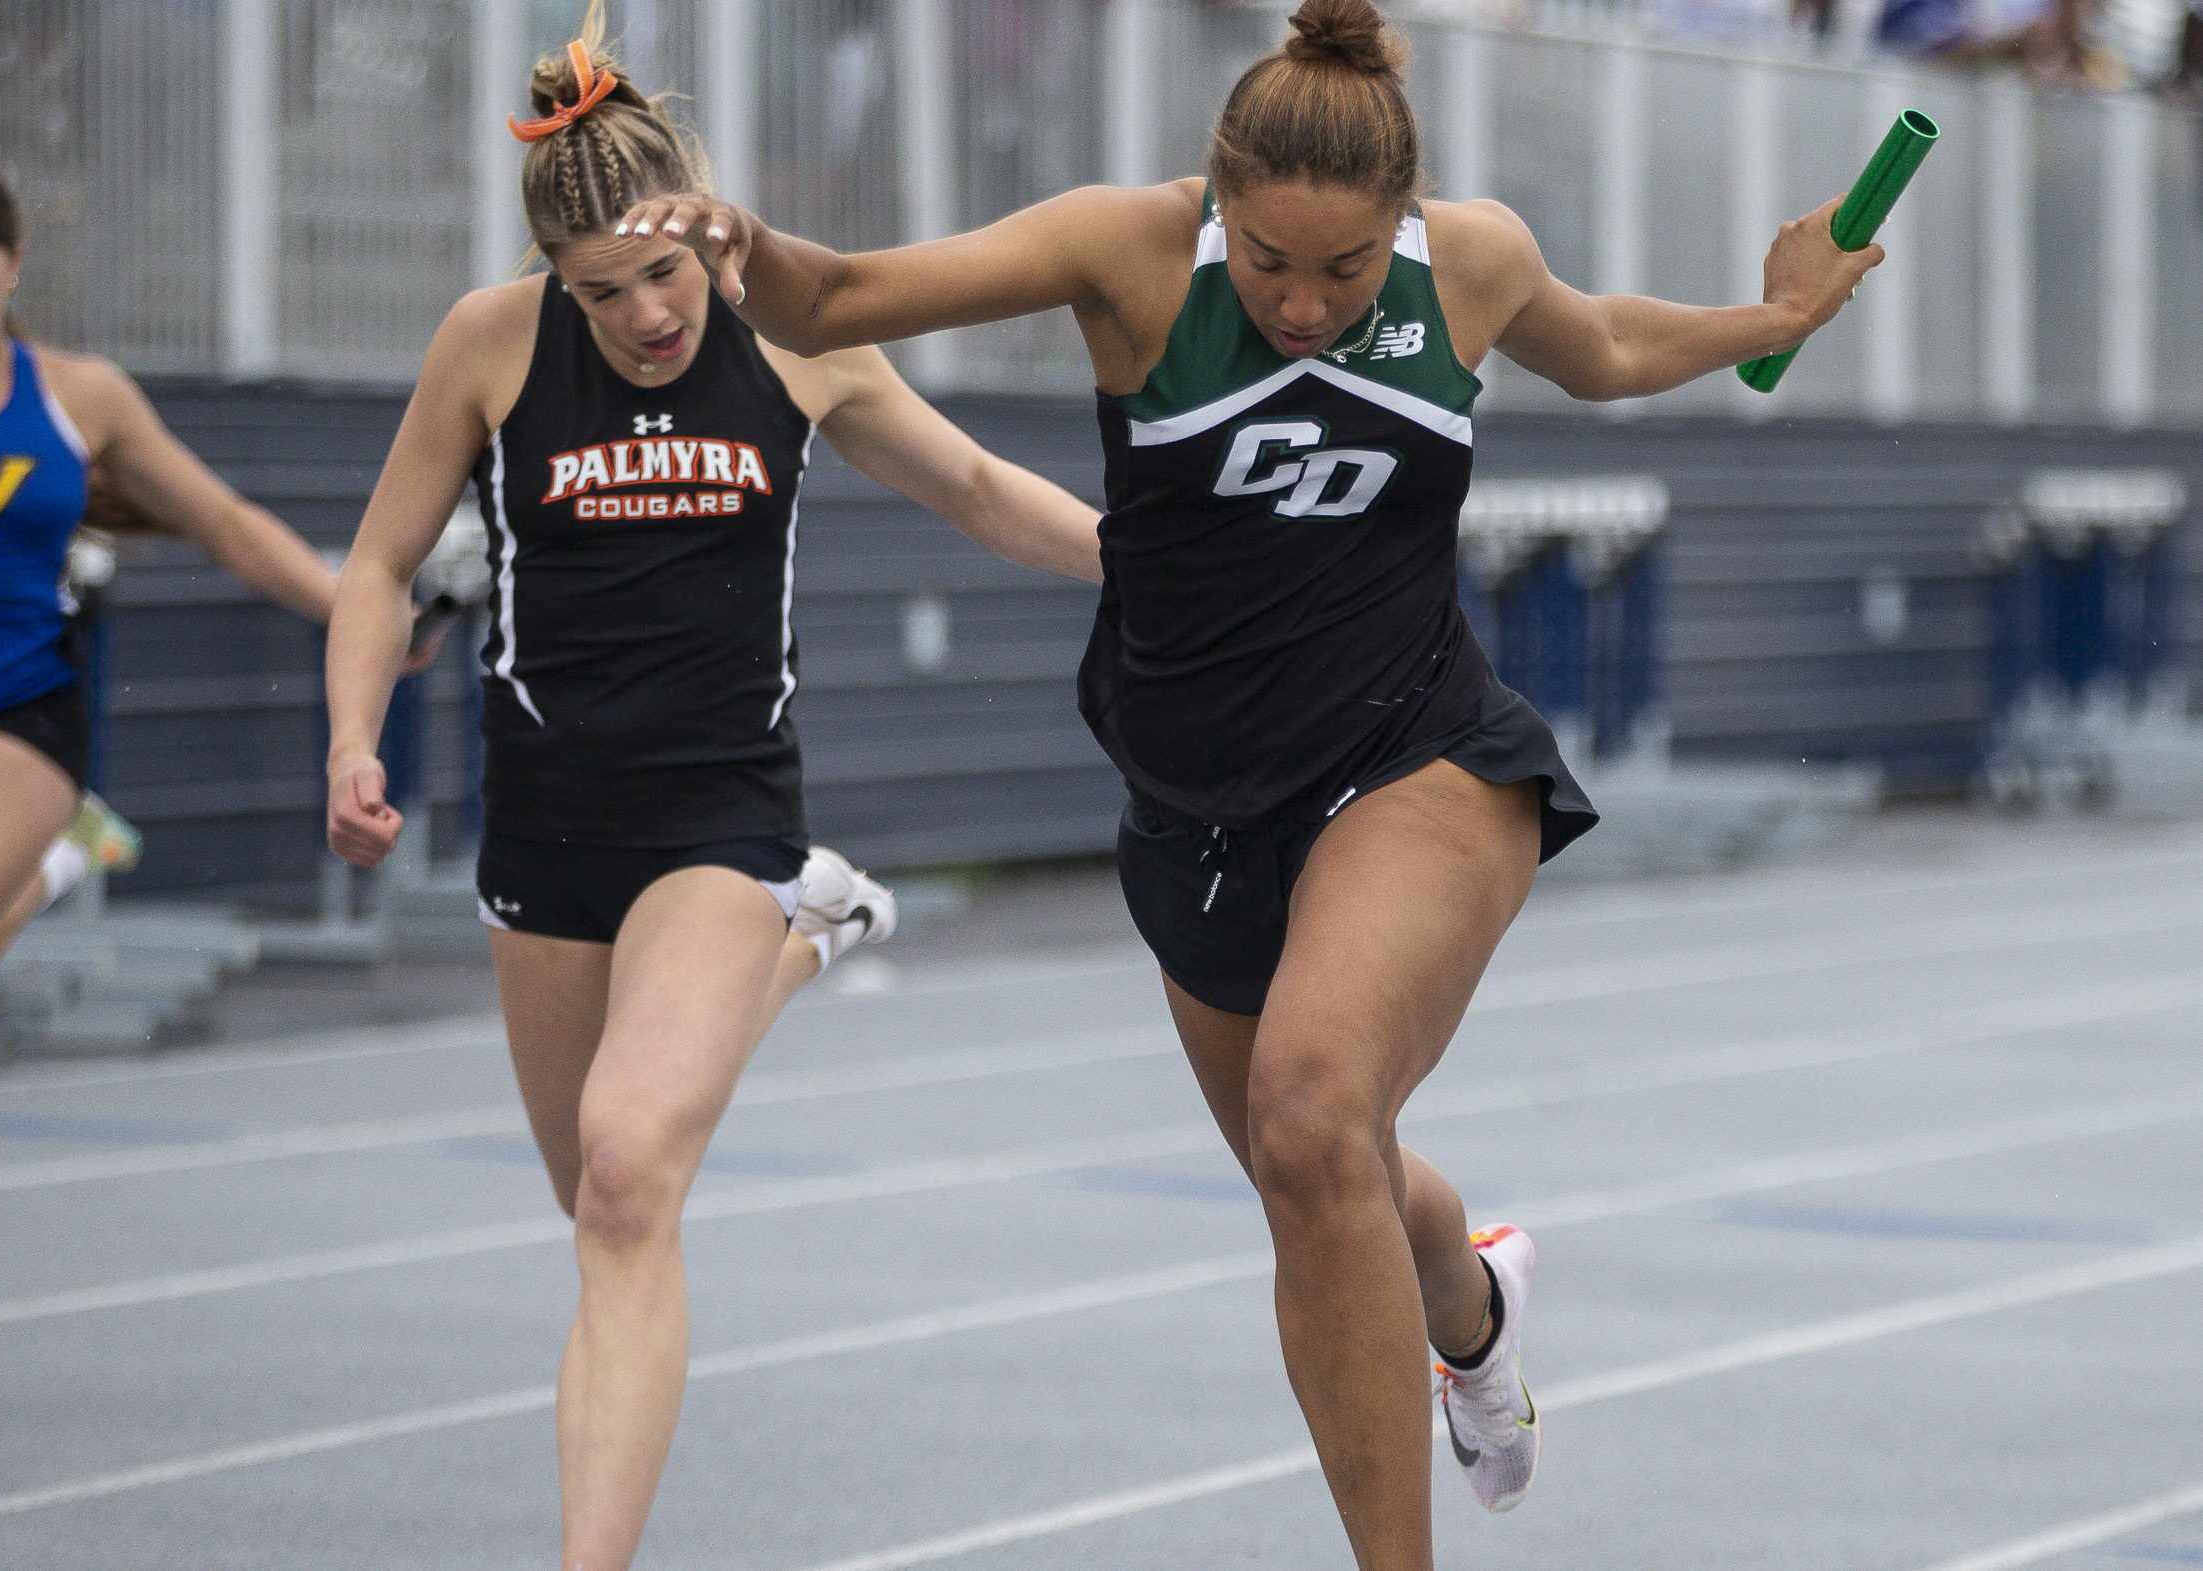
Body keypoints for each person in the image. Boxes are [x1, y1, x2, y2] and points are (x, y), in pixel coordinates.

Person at [619, 0, 1882, 1561]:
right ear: (1214, 205)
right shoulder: (1128, 254)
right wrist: (737, 238)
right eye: (1270, 262)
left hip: (1417, 755)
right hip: (1200, 804)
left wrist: (1773, 319)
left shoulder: (1469, 260)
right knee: (1326, 1167)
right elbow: (849, 292)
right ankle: (1473, 1305)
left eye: (1345, 272)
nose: (1302, 301)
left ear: (1399, 229)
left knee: (1307, 1111)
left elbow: (1610, 342)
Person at [321, 10, 1103, 1567]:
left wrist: (1158, 565)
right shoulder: (490, 343)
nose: (643, 316)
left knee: (624, 1175)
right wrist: (353, 733)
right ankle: (814, 926)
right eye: (600, 292)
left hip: (717, 814)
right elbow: (377, 564)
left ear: (704, 230)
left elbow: (971, 485)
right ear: (556, 276)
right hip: (544, 831)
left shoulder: (798, 342)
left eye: (662, 276)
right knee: (601, 1190)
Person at [0, 157, 431, 1335]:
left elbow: (221, 520)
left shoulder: (78, 394)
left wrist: (354, 612)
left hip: (20, 714)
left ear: (11, 266)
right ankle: (63, 862)